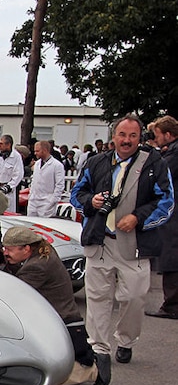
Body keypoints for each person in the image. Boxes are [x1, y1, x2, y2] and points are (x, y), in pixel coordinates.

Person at [70, 113, 174, 365]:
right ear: (113, 136)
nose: (126, 140)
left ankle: (126, 340)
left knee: (133, 297)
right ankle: (99, 348)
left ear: (140, 138)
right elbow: (77, 193)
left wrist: (138, 219)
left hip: (134, 244)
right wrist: (89, 202)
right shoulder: (96, 162)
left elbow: (166, 201)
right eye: (122, 135)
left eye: (132, 136)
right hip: (99, 240)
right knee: (97, 298)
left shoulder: (154, 162)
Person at [0, 226, 111, 385]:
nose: (5, 252)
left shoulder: (38, 266)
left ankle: (95, 368)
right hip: (53, 320)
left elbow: (11, 291)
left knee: (47, 379)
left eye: (9, 249)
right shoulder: (44, 251)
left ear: (26, 248)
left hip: (61, 326)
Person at [145, 115, 178, 319]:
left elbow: (160, 175)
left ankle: (172, 304)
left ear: (167, 134)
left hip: (173, 213)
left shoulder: (173, 155)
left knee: (171, 255)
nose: (155, 140)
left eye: (157, 136)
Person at [27, 140, 66, 218]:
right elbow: (34, 181)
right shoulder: (37, 164)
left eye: (37, 151)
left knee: (44, 227)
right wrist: (30, 195)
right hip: (33, 201)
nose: (35, 153)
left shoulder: (57, 165)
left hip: (47, 202)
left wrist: (52, 201)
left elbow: (60, 185)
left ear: (45, 150)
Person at [0, 134, 26, 212]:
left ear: (8, 145)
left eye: (1, 143)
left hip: (8, 191)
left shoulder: (16, 157)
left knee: (8, 212)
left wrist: (8, 187)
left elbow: (18, 175)